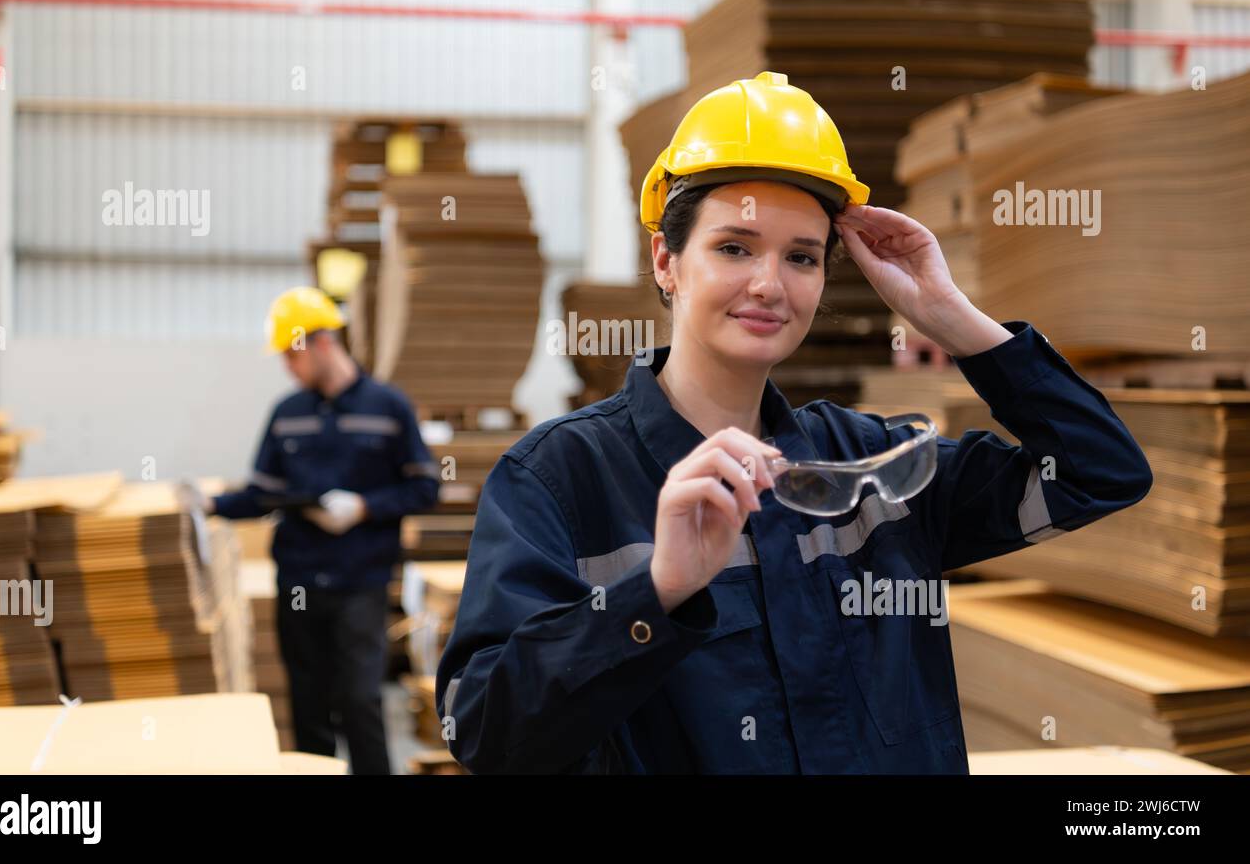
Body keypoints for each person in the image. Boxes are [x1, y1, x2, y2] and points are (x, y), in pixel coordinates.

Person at [435, 71, 1153, 774]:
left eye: (802, 257)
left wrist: (950, 318)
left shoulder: (876, 468)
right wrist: (655, 593)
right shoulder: (562, 481)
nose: (769, 285)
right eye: (734, 247)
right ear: (667, 261)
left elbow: (1103, 471)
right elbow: (485, 736)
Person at [206, 286, 440, 774]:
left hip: (361, 582)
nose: (287, 368)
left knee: (359, 702)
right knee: (308, 709)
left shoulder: (388, 408)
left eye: (291, 355)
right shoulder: (287, 414)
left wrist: (362, 508)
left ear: (321, 343)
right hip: (299, 583)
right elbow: (261, 494)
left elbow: (424, 489)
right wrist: (208, 505)